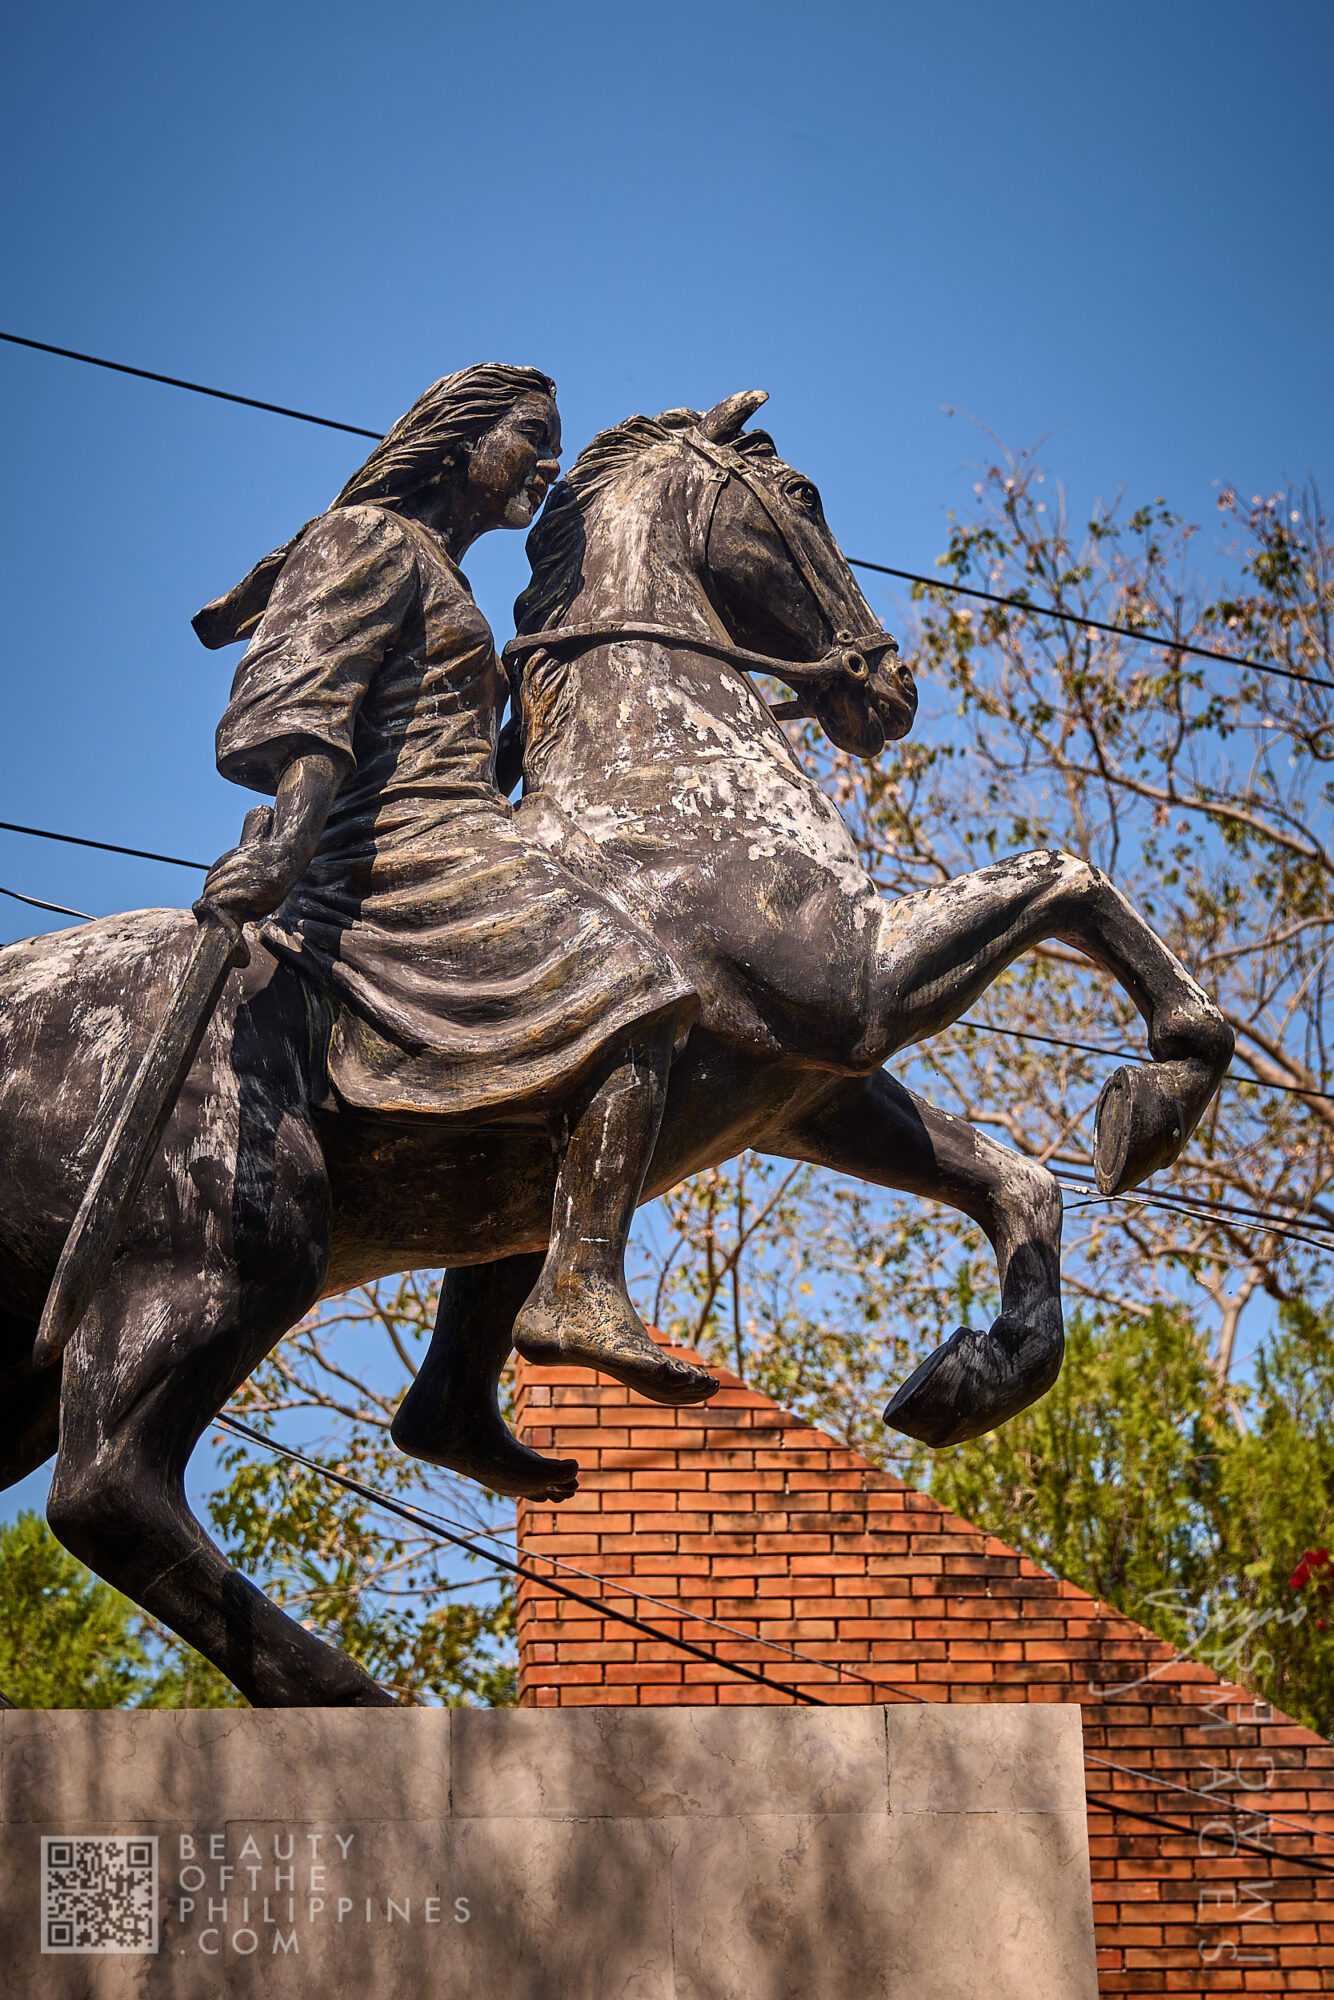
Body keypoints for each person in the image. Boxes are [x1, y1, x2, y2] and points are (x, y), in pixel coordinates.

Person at [193, 363, 714, 1406]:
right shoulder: (367, 540)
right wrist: (285, 842)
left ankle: (454, 1393)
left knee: (543, 1066)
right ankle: (576, 1282)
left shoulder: (444, 577)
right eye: (531, 435)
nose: (549, 464)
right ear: (454, 443)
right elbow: (311, 699)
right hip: (390, 859)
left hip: (453, 830)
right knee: (635, 991)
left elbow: (438, 738)